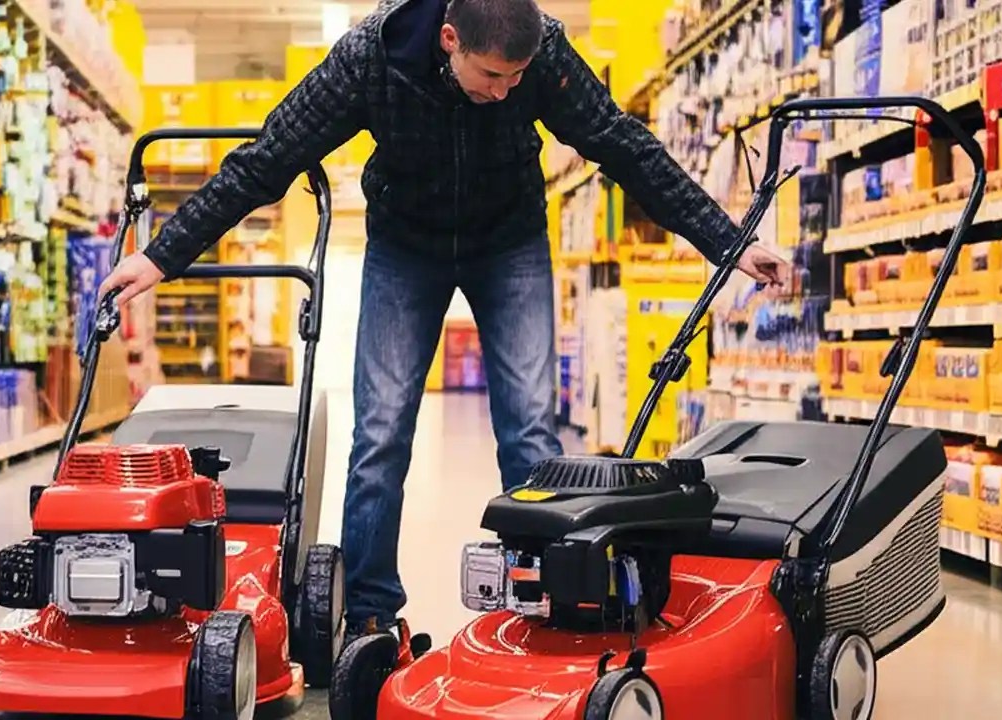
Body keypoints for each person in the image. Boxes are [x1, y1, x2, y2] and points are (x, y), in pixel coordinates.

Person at [100, 0, 790, 647]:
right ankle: (370, 616)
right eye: (493, 75)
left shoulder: (542, 51)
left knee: (531, 433)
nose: (505, 92)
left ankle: (549, 596)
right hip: (406, 246)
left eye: (518, 79)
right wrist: (163, 255)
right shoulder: (368, 59)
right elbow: (267, 159)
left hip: (509, 240)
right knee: (380, 434)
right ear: (449, 39)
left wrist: (729, 243)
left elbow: (623, 145)